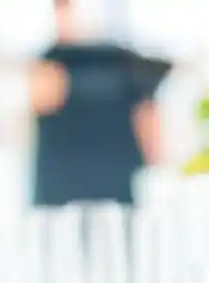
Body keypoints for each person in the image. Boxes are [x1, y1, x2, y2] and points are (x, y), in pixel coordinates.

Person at [30, 0, 170, 207]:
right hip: (60, 192)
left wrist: (158, 172)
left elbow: (149, 125)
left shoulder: (131, 64)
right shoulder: (50, 62)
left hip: (118, 189)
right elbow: (42, 99)